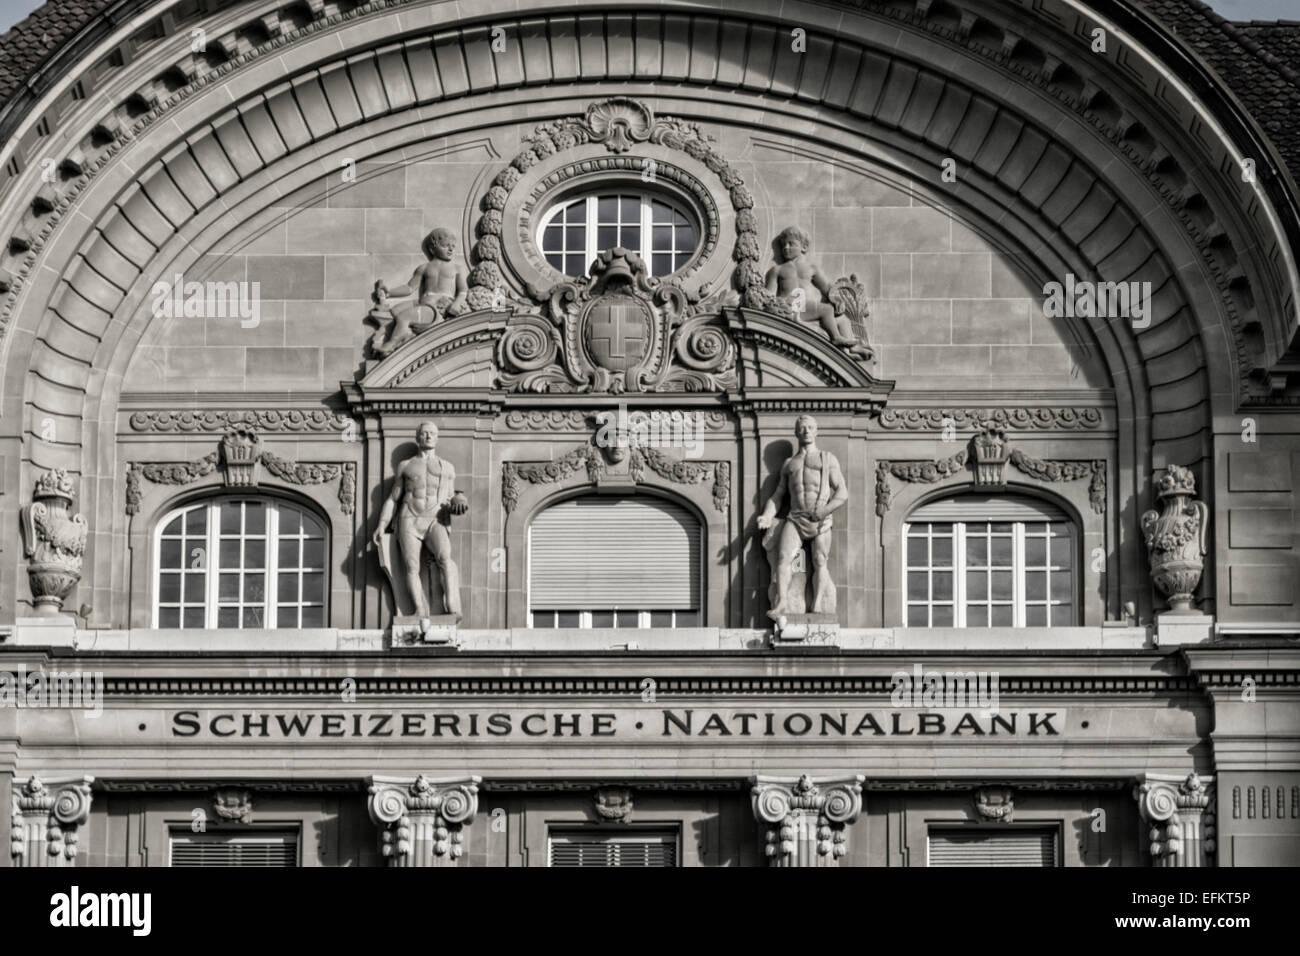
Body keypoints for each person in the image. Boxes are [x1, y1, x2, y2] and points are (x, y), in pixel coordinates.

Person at [371, 421, 468, 620]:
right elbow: (393, 499)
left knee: (444, 557)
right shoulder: (405, 465)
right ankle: (419, 611)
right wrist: (381, 524)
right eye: (424, 433)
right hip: (409, 517)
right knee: (412, 566)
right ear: (418, 437)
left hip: (435, 517)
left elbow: (451, 498)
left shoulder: (447, 467)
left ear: (437, 437)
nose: (428, 436)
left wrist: (460, 502)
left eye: (432, 433)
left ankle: (452, 605)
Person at [755, 415, 848, 618]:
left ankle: (817, 604)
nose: (806, 430)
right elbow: (778, 495)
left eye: (810, 427)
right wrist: (767, 516)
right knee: (783, 558)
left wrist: (824, 511)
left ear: (816, 431)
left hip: (820, 519)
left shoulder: (827, 458)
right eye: (802, 427)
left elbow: (842, 492)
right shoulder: (789, 464)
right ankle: (782, 603)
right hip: (795, 518)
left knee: (819, 560)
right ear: (797, 432)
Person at [764, 226, 872, 358]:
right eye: (783, 245)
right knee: (826, 309)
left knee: (842, 320)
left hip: (804, 307)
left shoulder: (811, 268)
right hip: (789, 307)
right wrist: (777, 306)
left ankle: (849, 351)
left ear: (803, 247)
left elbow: (826, 287)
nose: (786, 247)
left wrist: (836, 300)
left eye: (791, 244)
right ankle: (836, 338)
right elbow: (768, 296)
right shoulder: (777, 270)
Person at [368, 228, 469, 356]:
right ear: (432, 249)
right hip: (423, 303)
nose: (450, 249)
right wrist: (390, 293)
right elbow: (409, 288)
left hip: (438, 307)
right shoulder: (424, 268)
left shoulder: (457, 268)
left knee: (403, 317)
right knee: (394, 311)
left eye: (453, 247)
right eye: (445, 246)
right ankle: (398, 336)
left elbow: (463, 291)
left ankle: (390, 344)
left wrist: (456, 304)